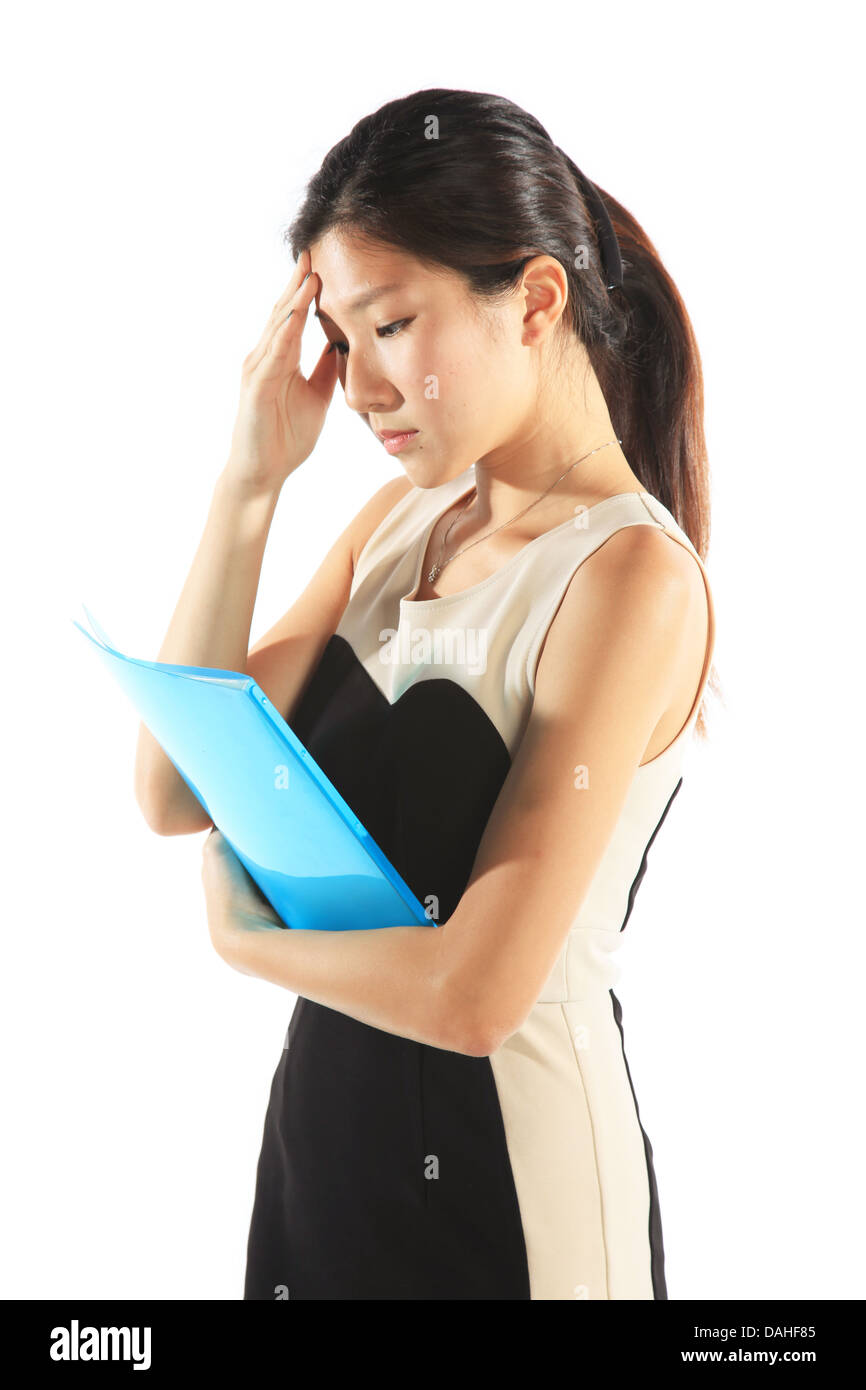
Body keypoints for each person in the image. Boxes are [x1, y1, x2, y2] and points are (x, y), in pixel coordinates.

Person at [135, 87, 718, 1301]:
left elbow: (473, 995)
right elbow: (176, 784)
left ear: (537, 301)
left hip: (517, 1203)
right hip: (325, 1166)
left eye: (392, 325)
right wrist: (249, 487)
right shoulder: (396, 527)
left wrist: (253, 946)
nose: (355, 386)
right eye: (339, 340)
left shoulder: (625, 578)